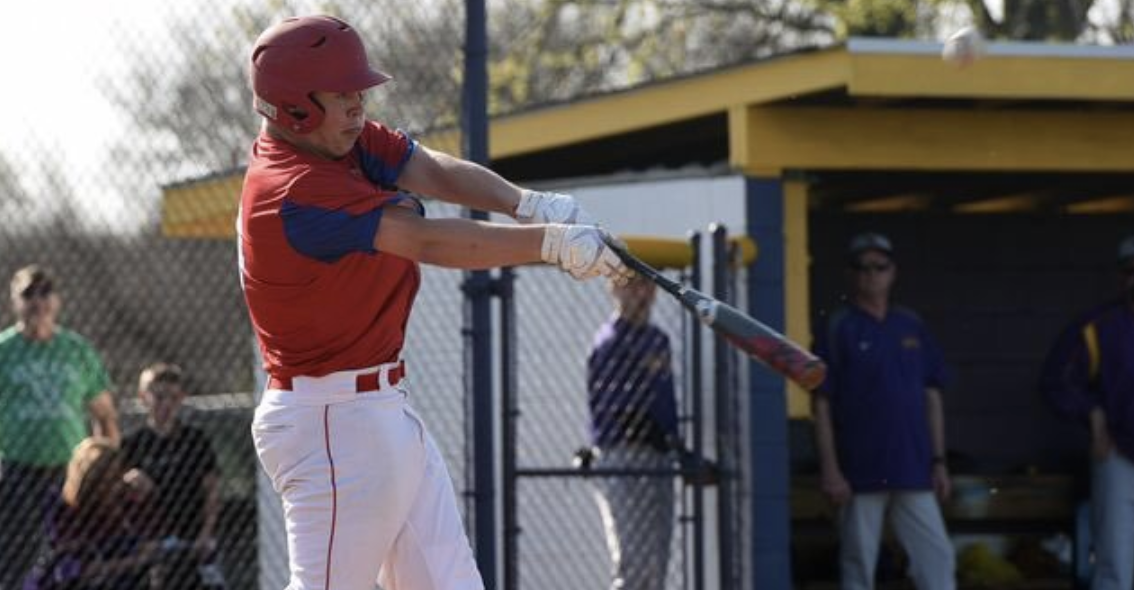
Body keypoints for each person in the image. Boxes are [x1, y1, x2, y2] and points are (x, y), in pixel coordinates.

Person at [241, 15, 632, 590]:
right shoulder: (293, 188)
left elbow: (425, 169)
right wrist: (549, 245)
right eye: (342, 93)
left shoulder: (336, 144)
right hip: (331, 422)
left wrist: (528, 204)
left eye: (359, 91)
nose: (358, 104)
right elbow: (423, 240)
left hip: (378, 411)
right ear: (295, 108)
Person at [811, 233, 955, 590]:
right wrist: (830, 469)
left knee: (936, 556)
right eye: (861, 267)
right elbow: (821, 402)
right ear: (850, 274)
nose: (870, 275)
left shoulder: (911, 324)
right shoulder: (838, 327)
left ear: (893, 272)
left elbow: (932, 395)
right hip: (860, 468)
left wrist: (939, 460)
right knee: (859, 559)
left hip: (913, 465)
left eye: (879, 267)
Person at [0, 265, 120, 590]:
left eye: (45, 292)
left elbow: (105, 415)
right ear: (14, 301)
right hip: (16, 472)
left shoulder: (76, 350)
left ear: (57, 301)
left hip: (71, 475)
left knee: (72, 555)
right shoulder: (4, 351)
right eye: (28, 293)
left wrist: (108, 469)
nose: (38, 301)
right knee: (16, 558)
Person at [1040, 235, 1134, 590]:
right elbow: (1054, 382)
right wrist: (1091, 413)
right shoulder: (1098, 326)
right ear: (1121, 277)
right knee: (1114, 562)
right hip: (1118, 454)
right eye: (1130, 270)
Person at [586, 276, 679, 590]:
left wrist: (675, 445)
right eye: (632, 285)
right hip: (623, 455)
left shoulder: (657, 340)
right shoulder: (610, 341)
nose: (642, 294)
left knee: (657, 565)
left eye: (647, 286)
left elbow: (666, 406)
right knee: (632, 566)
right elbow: (618, 412)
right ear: (614, 288)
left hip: (658, 456)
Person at [120, 363, 225, 589]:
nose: (165, 404)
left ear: (182, 398)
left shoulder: (196, 440)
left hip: (191, 538)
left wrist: (206, 534)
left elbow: (212, 489)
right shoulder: (132, 444)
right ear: (143, 397)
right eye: (158, 396)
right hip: (150, 542)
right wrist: (129, 479)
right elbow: (116, 494)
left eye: (172, 397)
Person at [23, 437, 157, 590]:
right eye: (111, 477)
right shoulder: (63, 506)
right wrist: (132, 562)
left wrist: (146, 498)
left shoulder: (116, 502)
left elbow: (138, 541)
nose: (118, 482)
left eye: (117, 474)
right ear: (94, 478)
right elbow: (77, 568)